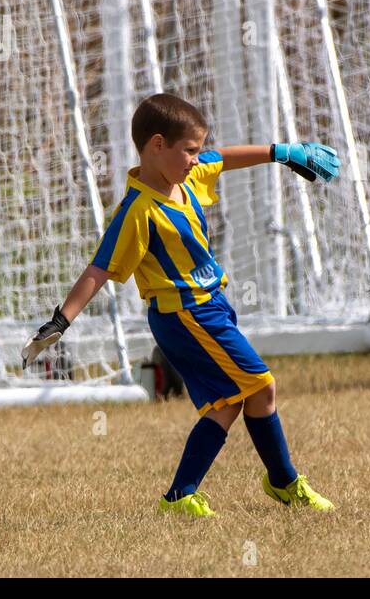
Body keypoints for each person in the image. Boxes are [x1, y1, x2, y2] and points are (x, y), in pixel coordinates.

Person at [22, 93, 339, 518]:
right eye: (188, 150)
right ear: (157, 145)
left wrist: (283, 153)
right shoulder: (137, 211)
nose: (195, 159)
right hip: (186, 315)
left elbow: (221, 158)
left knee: (227, 403)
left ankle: (180, 496)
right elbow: (99, 268)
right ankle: (283, 482)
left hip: (212, 307)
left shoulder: (184, 178)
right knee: (262, 386)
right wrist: (61, 320)